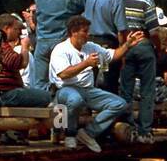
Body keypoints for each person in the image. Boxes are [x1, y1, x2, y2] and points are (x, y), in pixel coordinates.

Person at [49, 15, 135, 153]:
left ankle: (88, 133)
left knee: (119, 104)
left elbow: (111, 55)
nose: (88, 35)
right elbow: (64, 74)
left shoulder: (90, 47)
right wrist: (86, 63)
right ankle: (70, 134)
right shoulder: (61, 49)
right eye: (85, 31)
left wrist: (127, 45)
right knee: (75, 100)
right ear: (73, 32)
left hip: (88, 90)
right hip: (65, 89)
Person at [29, 0, 85, 89]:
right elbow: (84, 3)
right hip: (61, 40)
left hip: (42, 41)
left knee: (40, 82)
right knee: (64, 80)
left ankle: (41, 105)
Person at [119, 0, 160, 141]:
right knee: (147, 90)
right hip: (143, 46)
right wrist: (158, 48)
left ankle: (129, 126)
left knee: (125, 89)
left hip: (125, 46)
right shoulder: (147, 1)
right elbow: (154, 30)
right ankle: (145, 130)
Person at [0, 14, 53, 108]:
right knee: (46, 97)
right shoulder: (0, 43)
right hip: (3, 94)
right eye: (16, 29)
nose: (20, 33)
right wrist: (25, 47)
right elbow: (21, 63)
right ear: (6, 28)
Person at [83, 0, 129, 91]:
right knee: (109, 83)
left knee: (90, 80)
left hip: (88, 41)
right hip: (106, 44)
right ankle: (109, 108)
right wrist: (123, 50)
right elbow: (121, 30)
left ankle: (88, 108)